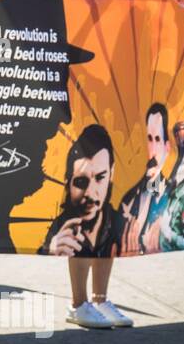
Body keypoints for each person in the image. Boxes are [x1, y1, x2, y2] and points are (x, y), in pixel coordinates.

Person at [55, 0, 150, 329]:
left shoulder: (143, 17)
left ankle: (101, 298)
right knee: (82, 213)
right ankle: (78, 302)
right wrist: (89, 5)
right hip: (85, 126)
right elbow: (67, 49)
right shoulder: (81, 12)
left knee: (110, 218)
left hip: (124, 131)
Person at [40, 125, 125, 328]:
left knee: (109, 229)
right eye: (80, 181)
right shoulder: (57, 231)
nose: (91, 193)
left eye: (100, 178)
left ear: (111, 174)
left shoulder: (113, 218)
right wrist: (49, 246)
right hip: (76, 115)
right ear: (68, 182)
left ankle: (100, 300)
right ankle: (78, 304)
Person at [118, 104, 172, 256]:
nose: (152, 150)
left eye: (157, 139)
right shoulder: (128, 199)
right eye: (149, 139)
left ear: (167, 148)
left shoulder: (174, 199)